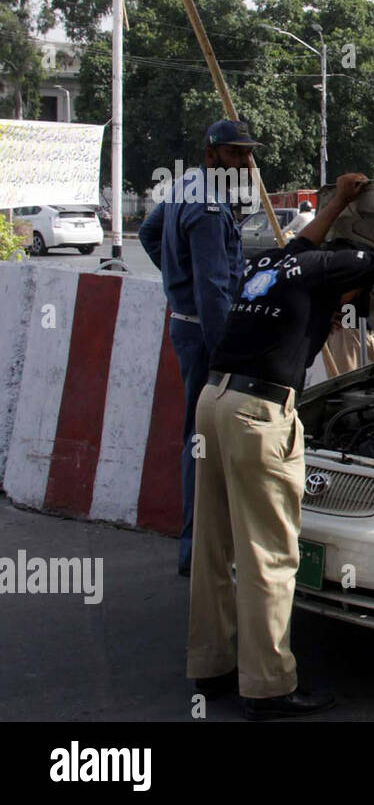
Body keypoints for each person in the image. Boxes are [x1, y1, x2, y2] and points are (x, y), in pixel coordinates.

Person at [188, 172, 374, 720]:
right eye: (353, 294)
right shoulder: (332, 269)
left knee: (215, 546)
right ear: (347, 276)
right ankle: (268, 688)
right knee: (270, 555)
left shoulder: (277, 261)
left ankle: (210, 666)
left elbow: (307, 237)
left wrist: (340, 199)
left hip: (215, 401)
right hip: (258, 413)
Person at [139, 118, 252, 576]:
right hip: (205, 334)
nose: (244, 162)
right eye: (234, 154)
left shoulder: (187, 185)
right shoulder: (206, 204)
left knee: (197, 436)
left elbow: (149, 234)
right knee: (205, 440)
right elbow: (212, 289)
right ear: (212, 154)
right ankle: (198, 551)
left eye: (246, 153)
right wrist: (226, 353)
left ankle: (197, 549)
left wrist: (173, 279)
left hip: (185, 326)